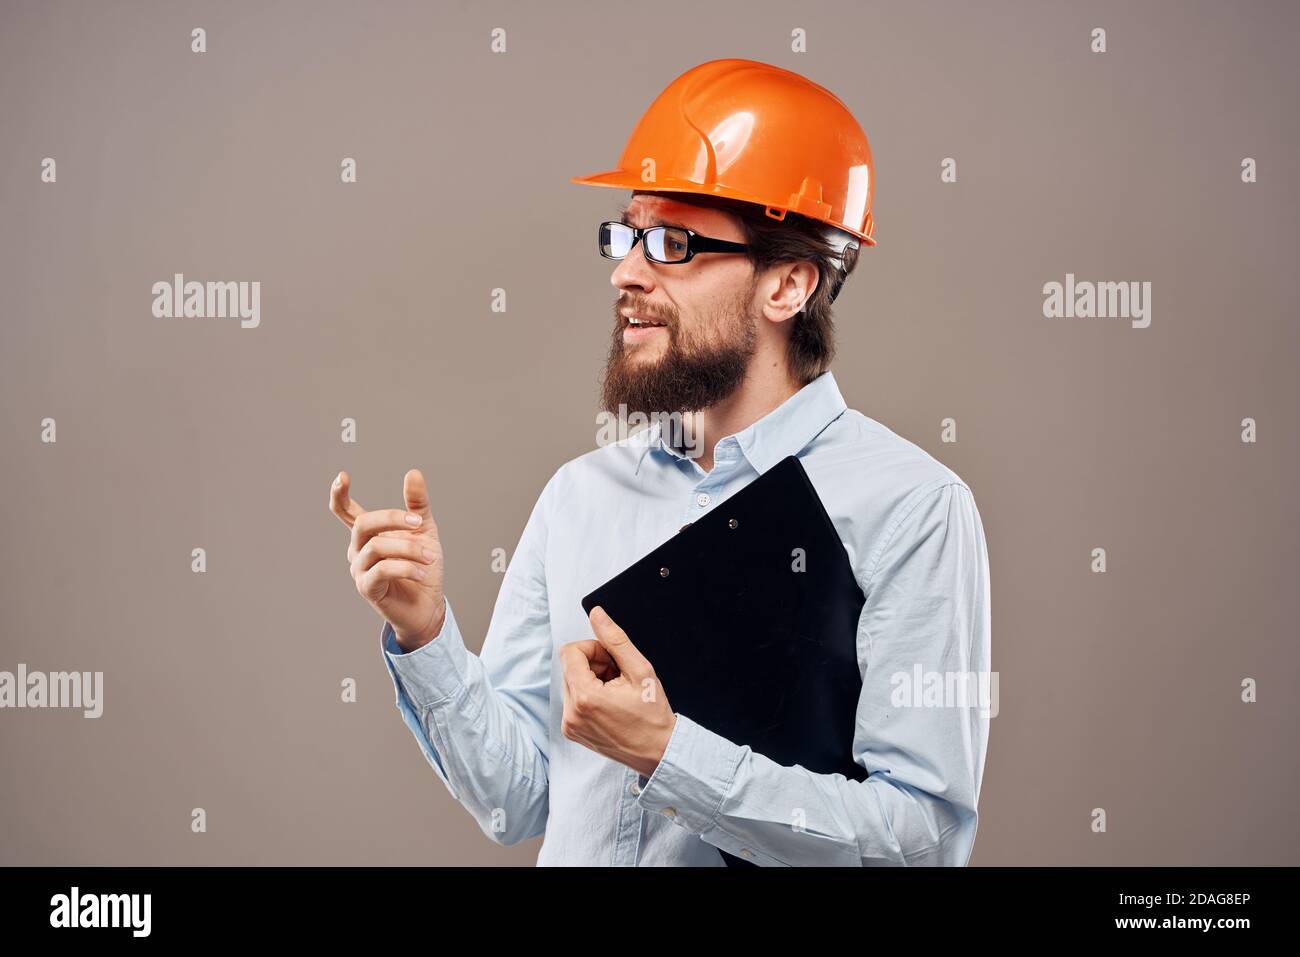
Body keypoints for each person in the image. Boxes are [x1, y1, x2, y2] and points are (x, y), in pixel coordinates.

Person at [328, 59, 991, 866]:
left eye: (673, 243)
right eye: (627, 234)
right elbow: (516, 797)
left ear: (788, 284)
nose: (627, 272)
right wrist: (425, 629)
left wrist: (669, 754)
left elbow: (923, 839)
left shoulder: (911, 507)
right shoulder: (581, 494)